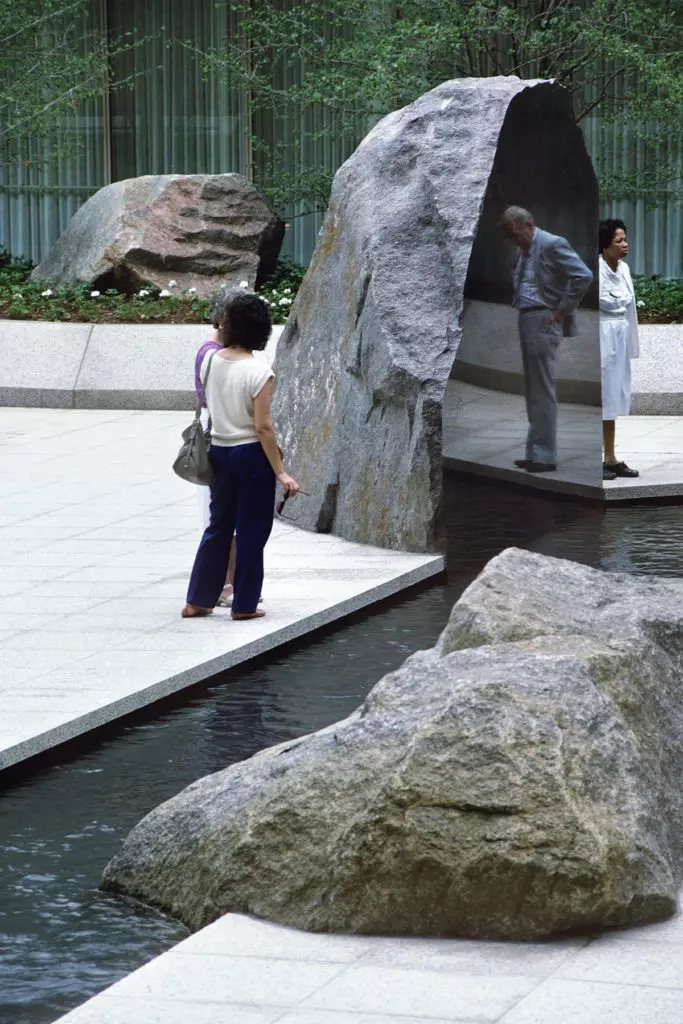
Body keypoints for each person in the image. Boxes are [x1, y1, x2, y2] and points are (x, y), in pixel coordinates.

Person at [182, 288, 299, 620]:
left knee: (218, 526)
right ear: (261, 329)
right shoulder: (259, 372)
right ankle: (244, 605)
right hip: (250, 458)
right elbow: (263, 428)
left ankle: (198, 601)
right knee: (250, 530)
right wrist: (281, 472)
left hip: (218, 452)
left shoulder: (209, 361)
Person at [500, 206, 593, 473]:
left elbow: (583, 275)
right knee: (533, 390)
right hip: (527, 317)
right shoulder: (524, 249)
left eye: (515, 234)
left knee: (542, 390)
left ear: (529, 225)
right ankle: (534, 452)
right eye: (510, 236)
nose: (513, 240)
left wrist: (562, 308)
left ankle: (545, 456)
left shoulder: (552, 243)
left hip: (542, 318)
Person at [599, 218, 640, 480]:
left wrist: (633, 347)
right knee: (600, 398)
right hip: (602, 337)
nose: (625, 244)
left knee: (612, 399)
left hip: (620, 337)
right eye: (619, 241)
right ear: (605, 246)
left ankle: (610, 457)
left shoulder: (623, 269)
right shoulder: (595, 270)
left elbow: (631, 309)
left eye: (625, 239)